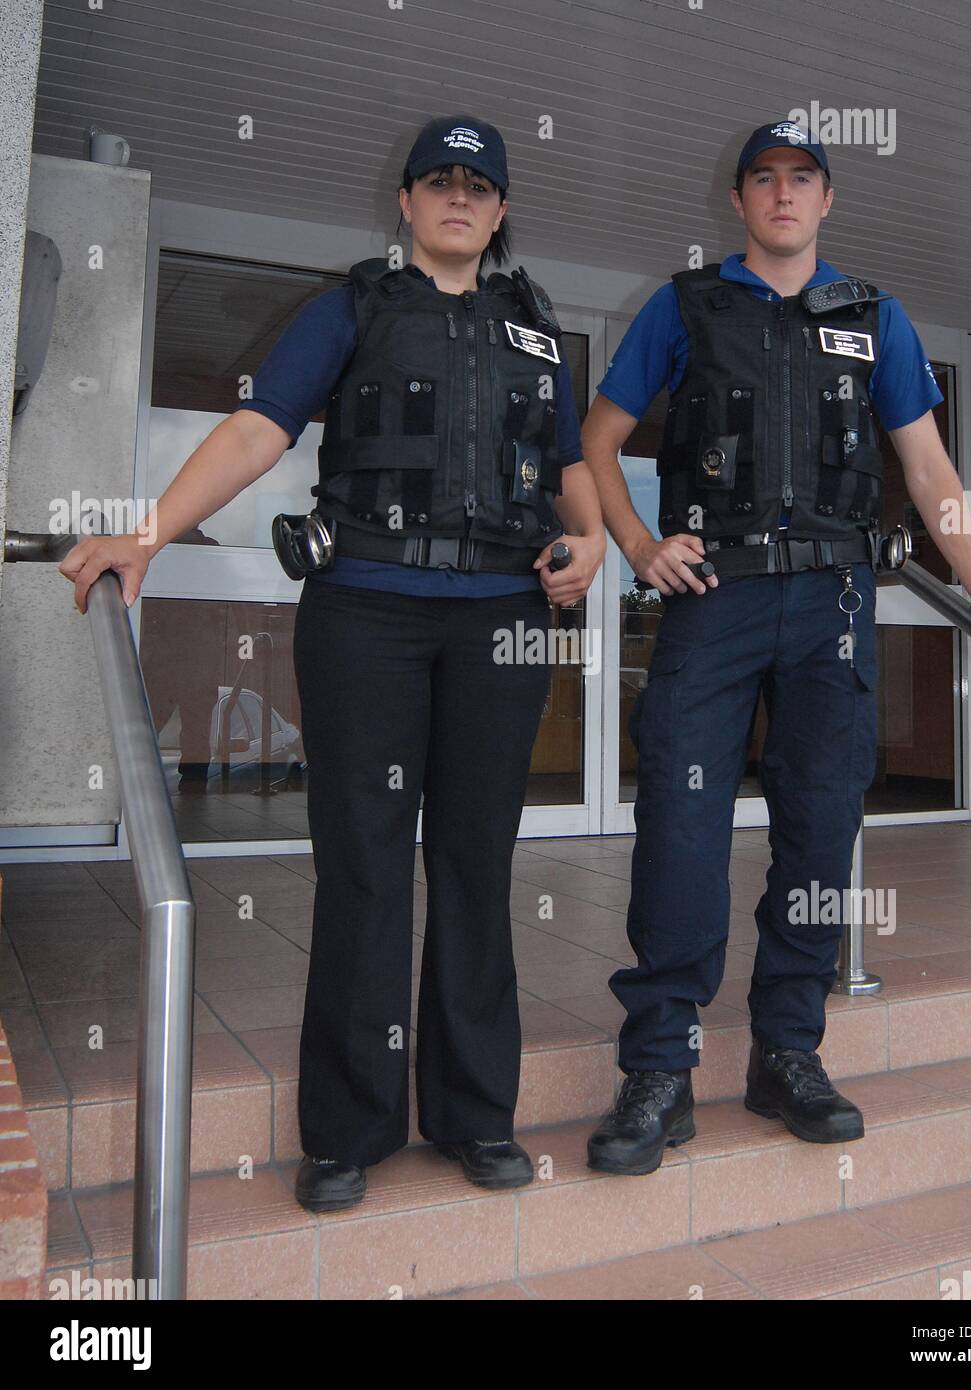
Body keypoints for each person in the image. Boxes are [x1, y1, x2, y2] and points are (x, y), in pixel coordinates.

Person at [60, 114, 606, 1211]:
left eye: (478, 186)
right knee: (363, 866)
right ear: (405, 202)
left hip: (498, 620)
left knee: (474, 864)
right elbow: (258, 429)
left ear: (498, 213)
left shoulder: (537, 332)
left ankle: (473, 1114)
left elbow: (565, 467)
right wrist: (150, 530)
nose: (458, 196)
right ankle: (348, 1131)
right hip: (368, 612)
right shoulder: (350, 306)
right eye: (437, 181)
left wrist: (590, 541)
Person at [579, 119, 971, 1176]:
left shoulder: (871, 318)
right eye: (764, 179)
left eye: (803, 178)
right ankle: (660, 1063)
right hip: (714, 597)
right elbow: (600, 438)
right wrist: (641, 545)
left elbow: (927, 470)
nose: (784, 194)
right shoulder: (686, 304)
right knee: (681, 832)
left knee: (821, 829)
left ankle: (787, 1050)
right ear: (738, 200)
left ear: (826, 199)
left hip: (833, 604)